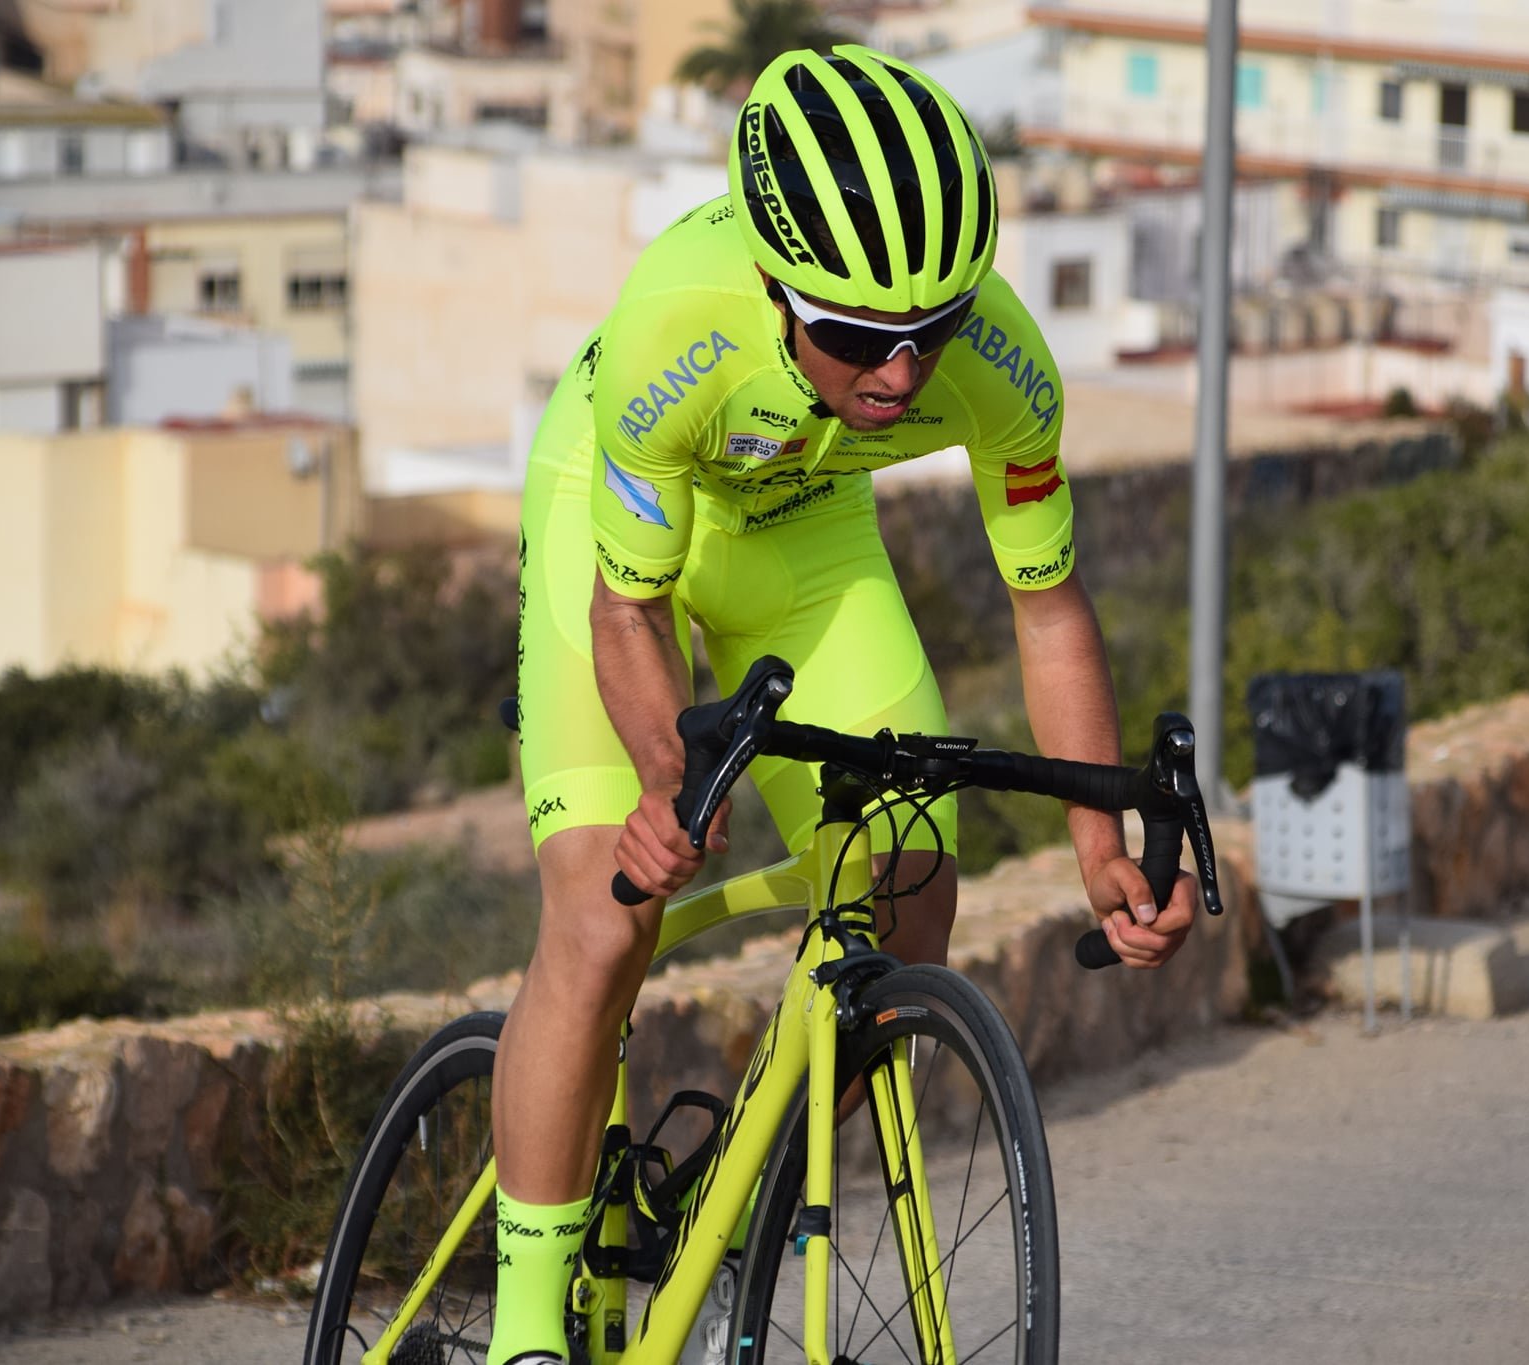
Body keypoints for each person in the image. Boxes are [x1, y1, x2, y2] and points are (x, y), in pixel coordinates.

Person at [494, 45, 1196, 1365]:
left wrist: (1097, 848)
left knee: (912, 878)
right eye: (858, 339)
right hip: (627, 526)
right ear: (775, 290)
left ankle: (756, 1189)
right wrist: (663, 783)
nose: (899, 374)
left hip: (804, 547)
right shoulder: (676, 329)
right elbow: (628, 613)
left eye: (926, 333)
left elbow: (1048, 609)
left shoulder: (1000, 363)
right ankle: (524, 1332)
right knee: (601, 916)